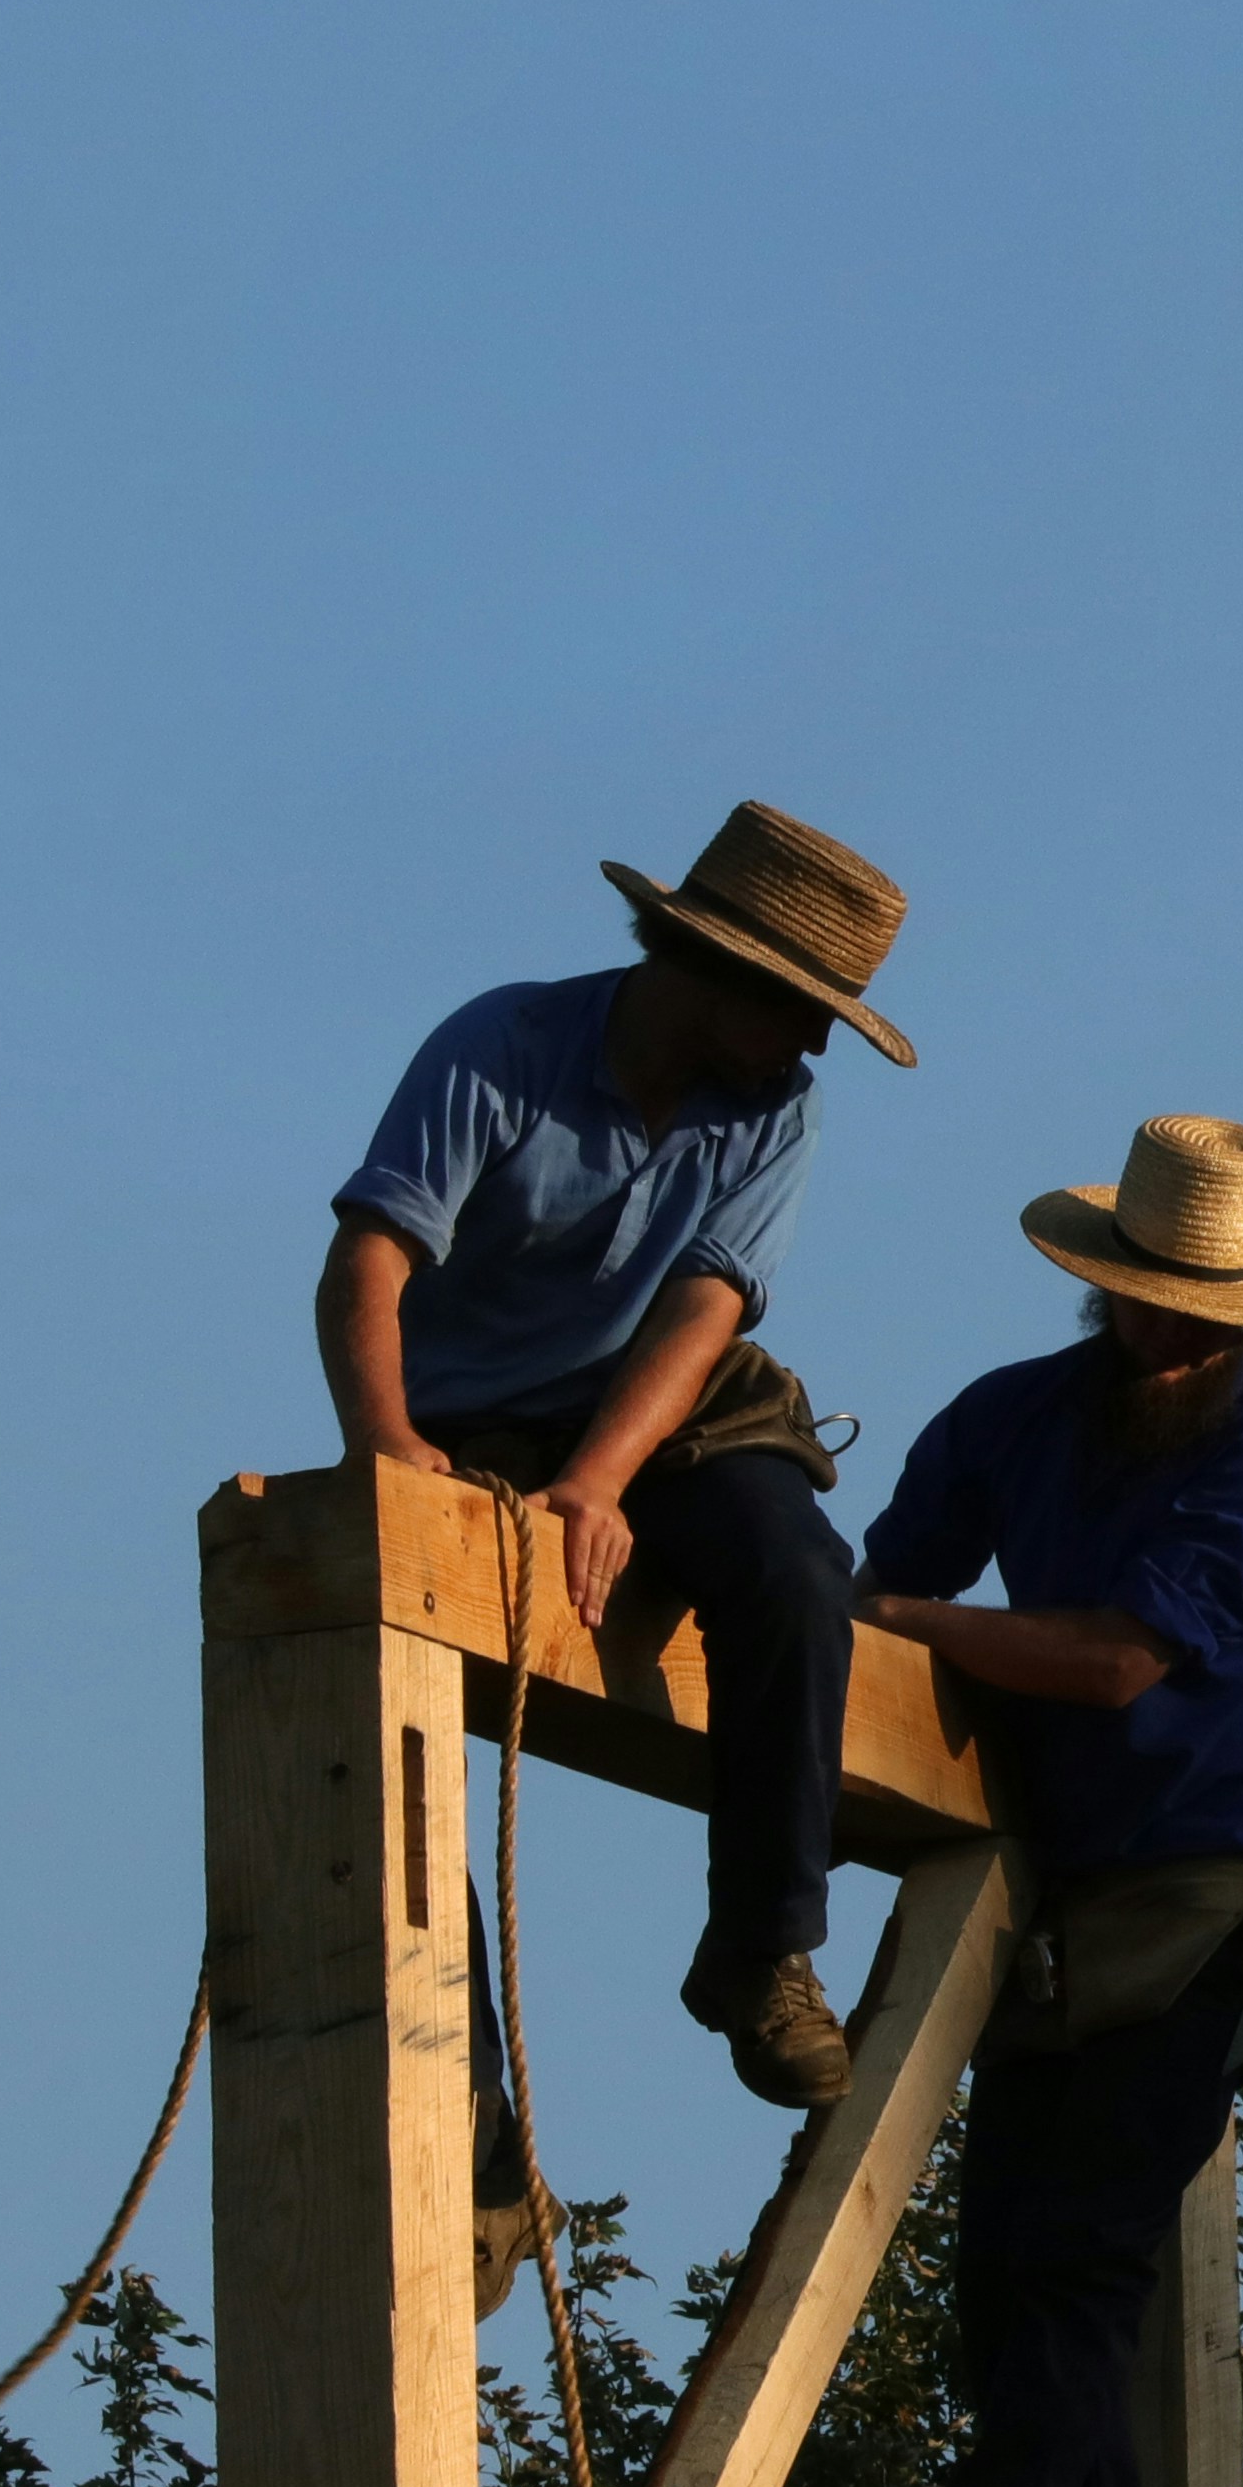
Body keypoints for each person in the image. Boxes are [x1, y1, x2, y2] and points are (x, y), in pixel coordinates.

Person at [793, 1113, 1243, 2487]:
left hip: (1213, 1888)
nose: (1168, 1331)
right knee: (1016, 2291)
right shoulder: (1010, 1417)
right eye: (1146, 1298)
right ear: (1106, 1289)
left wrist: (885, 1622)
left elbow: (1111, 1661)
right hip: (1067, 1893)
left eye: (1198, 1310)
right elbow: (877, 1598)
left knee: (1077, 2267)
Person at [321, 803, 919, 2111]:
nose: (818, 1037)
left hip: (671, 1408)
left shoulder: (779, 1108)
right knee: (383, 1646)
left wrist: (597, 1480)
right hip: (480, 1416)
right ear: (711, 968)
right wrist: (387, 1448)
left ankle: (762, 1949)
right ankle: (463, 2121)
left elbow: (705, 1307)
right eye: (803, 1002)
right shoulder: (505, 1043)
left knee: (796, 1572)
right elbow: (368, 1259)